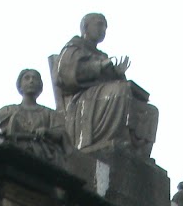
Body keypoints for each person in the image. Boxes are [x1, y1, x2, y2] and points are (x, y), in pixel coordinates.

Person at [56, 13, 156, 155]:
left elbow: (112, 81)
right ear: (85, 27)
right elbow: (65, 75)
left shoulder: (102, 55)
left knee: (149, 110)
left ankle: (139, 151)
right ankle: (112, 137)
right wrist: (99, 66)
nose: (103, 29)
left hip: (101, 95)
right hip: (82, 98)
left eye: (105, 27)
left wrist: (118, 73)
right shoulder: (73, 48)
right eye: (99, 25)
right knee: (121, 91)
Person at [0, 68, 68, 158]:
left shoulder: (50, 114)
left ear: (40, 86)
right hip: (15, 153)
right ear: (20, 86)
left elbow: (61, 134)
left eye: (35, 78)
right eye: (27, 78)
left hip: (43, 156)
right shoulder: (9, 110)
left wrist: (47, 131)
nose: (31, 81)